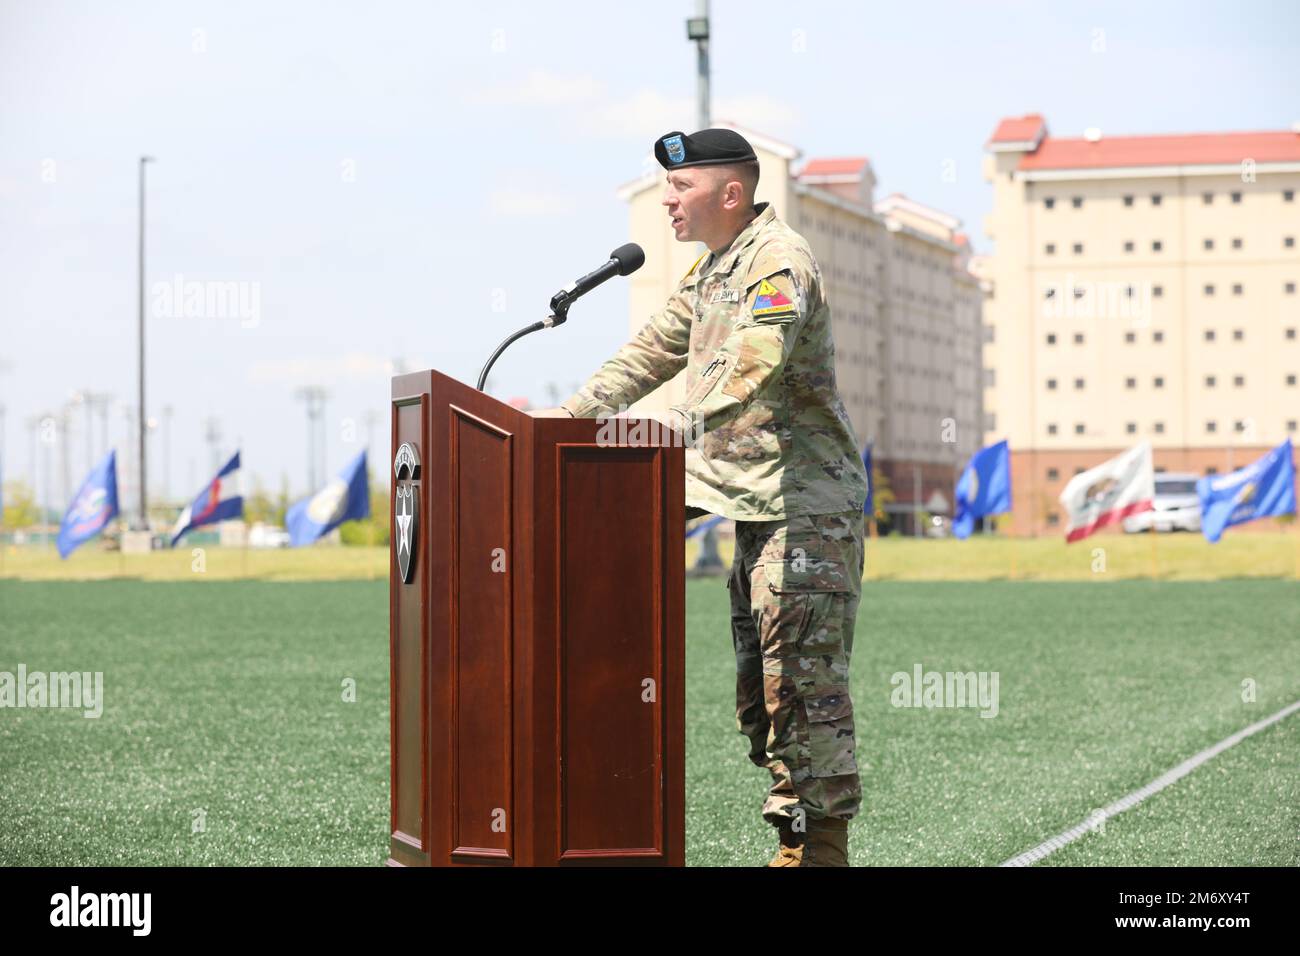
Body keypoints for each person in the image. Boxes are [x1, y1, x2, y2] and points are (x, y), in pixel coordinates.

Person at [532, 128, 869, 867]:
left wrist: (663, 427)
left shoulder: (778, 260)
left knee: (801, 688)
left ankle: (822, 853)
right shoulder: (714, 270)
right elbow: (652, 349)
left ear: (731, 193)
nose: (666, 199)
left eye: (680, 188)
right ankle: (793, 841)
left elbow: (756, 360)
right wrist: (565, 422)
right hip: (743, 504)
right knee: (760, 690)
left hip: (802, 507)